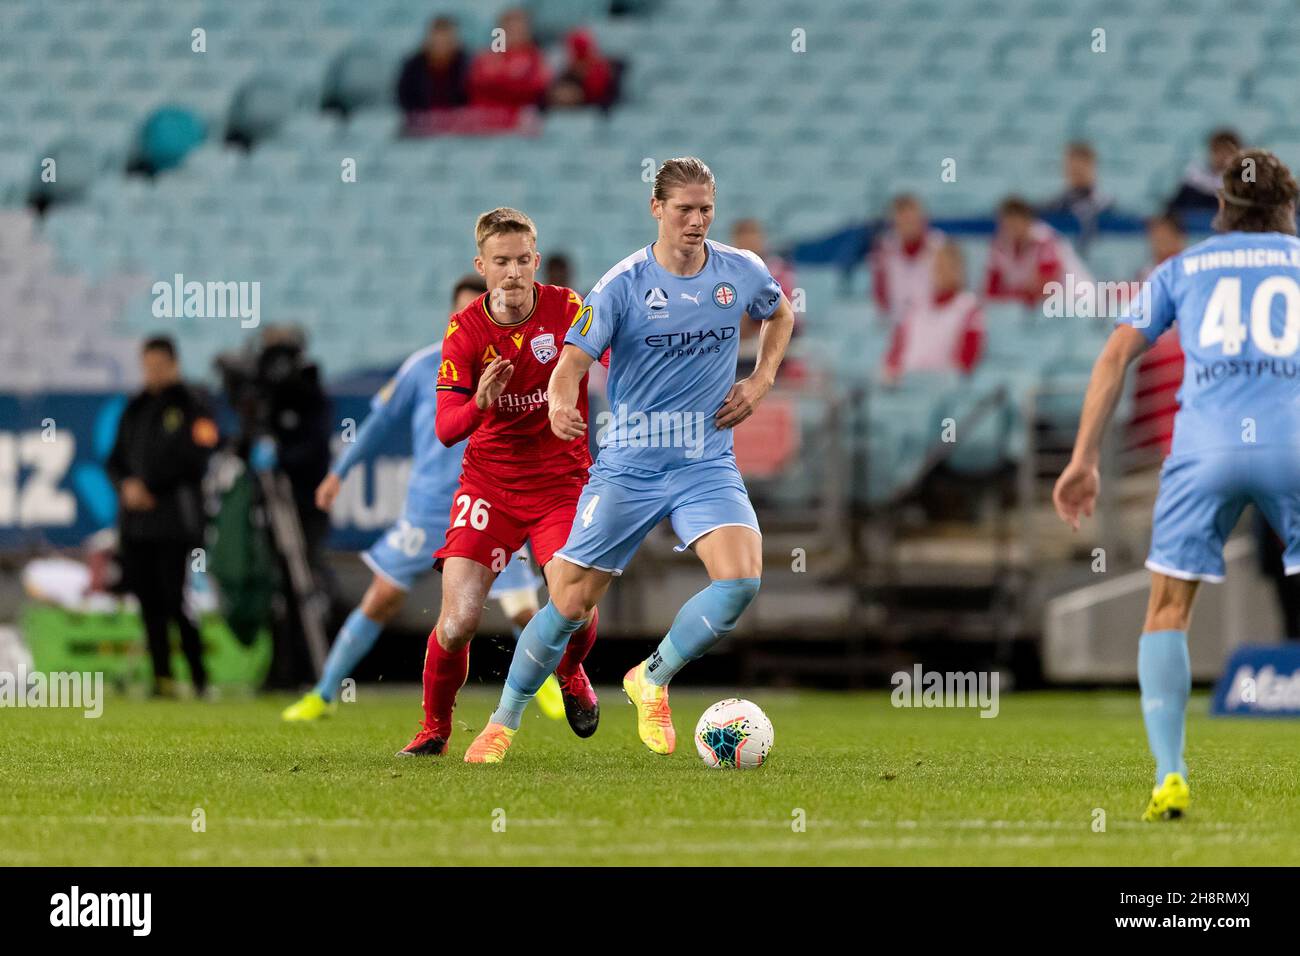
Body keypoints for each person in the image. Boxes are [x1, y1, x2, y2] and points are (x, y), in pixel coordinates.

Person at [464, 157, 796, 764]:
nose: (696, 221)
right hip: (630, 463)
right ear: (657, 209)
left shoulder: (740, 271)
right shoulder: (621, 285)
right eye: (684, 210)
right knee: (568, 603)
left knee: (741, 579)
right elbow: (570, 364)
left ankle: (651, 677)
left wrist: (760, 379)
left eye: (705, 210)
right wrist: (560, 406)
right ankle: (502, 722)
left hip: (705, 459)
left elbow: (780, 313)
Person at [1053, 148, 1300, 822]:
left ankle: (1170, 774)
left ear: (1222, 209)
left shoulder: (1182, 267)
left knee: (1167, 609)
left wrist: (1083, 459)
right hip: (1293, 445)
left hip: (1204, 447)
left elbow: (1115, 356)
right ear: (1288, 209)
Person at [281, 275, 563, 724]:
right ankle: (324, 692)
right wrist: (339, 473)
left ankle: (544, 688)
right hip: (428, 510)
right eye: (466, 311)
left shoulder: (517, 364)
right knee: (381, 599)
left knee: (523, 609)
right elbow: (376, 426)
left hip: (489, 506)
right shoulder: (423, 366)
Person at [395, 208, 603, 757]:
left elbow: (619, 359)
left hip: (561, 484)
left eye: (521, 261)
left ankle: (572, 671)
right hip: (488, 487)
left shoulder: (569, 309)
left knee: (573, 605)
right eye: (500, 262)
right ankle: (434, 729)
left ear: (536, 261)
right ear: (481, 266)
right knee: (459, 620)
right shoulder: (465, 331)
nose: (512, 273)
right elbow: (446, 429)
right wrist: (480, 406)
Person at [106, 336, 219, 697]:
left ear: (174, 365)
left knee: (175, 599)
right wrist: (126, 485)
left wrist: (149, 484)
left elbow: (198, 456)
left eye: (158, 366)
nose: (152, 373)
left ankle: (200, 678)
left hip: (174, 521)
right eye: (147, 366)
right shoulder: (135, 407)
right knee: (147, 600)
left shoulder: (192, 404)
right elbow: (114, 459)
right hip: (136, 525)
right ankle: (162, 679)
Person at [881, 241, 983, 383]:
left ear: (960, 270)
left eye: (948, 266)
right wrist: (890, 371)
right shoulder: (916, 305)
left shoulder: (969, 307)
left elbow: (967, 360)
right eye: (937, 265)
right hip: (905, 382)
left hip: (940, 385)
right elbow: (896, 349)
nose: (941, 270)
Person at [1128, 214, 1187, 456]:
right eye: (1155, 237)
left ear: (1178, 238)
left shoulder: (1192, 269)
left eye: (1164, 236)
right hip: (1153, 349)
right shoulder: (1145, 273)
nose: (1158, 242)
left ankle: (1173, 449)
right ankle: (1156, 449)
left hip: (1186, 349)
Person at [984, 196, 1091, 305]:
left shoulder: (1046, 240)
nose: (1011, 227)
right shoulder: (1000, 245)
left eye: (1015, 221)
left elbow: (1048, 283)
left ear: (1027, 220)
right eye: (1006, 222)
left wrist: (1015, 295)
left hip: (1074, 301)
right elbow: (992, 287)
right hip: (1038, 306)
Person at [869, 194, 946, 327]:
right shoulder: (884, 248)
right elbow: (879, 289)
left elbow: (949, 286)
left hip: (933, 322)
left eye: (912, 219)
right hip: (896, 322)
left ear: (923, 219)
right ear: (894, 222)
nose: (908, 225)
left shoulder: (940, 246)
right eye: (902, 220)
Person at [1038, 141, 1113, 255]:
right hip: (1069, 266)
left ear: (1092, 167)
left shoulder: (1106, 204)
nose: (1075, 174)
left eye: (1080, 170)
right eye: (1072, 169)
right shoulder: (1056, 205)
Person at [467, 8, 550, 111]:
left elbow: (537, 87)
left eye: (520, 29)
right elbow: (477, 85)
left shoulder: (537, 58)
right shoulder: (485, 58)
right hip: (488, 116)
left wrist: (500, 81)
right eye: (510, 29)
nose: (515, 33)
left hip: (523, 118)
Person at [396, 16, 469, 113]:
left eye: (446, 42)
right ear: (429, 41)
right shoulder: (413, 67)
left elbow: (469, 100)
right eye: (438, 42)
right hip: (421, 123)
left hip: (456, 122)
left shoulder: (465, 65)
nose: (442, 47)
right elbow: (405, 99)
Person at [1166, 128, 1243, 217]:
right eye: (1218, 151)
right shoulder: (1193, 180)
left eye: (1228, 152)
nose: (1223, 157)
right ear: (1211, 152)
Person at [547, 28, 618, 109]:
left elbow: (604, 101)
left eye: (584, 59)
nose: (582, 65)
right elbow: (554, 94)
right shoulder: (565, 71)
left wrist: (581, 96)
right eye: (578, 60)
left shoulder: (603, 73)